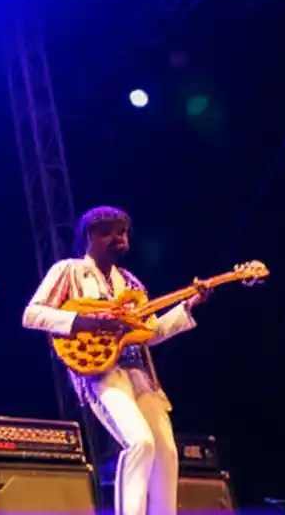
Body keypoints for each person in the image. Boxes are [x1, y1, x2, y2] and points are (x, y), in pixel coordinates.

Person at [23, 206, 206, 515]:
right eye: (106, 231)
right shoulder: (68, 270)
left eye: (121, 231)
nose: (117, 237)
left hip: (140, 375)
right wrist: (87, 321)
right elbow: (32, 314)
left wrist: (189, 305)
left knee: (166, 452)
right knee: (140, 443)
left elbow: (150, 333)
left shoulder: (132, 284)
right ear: (87, 237)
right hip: (101, 373)